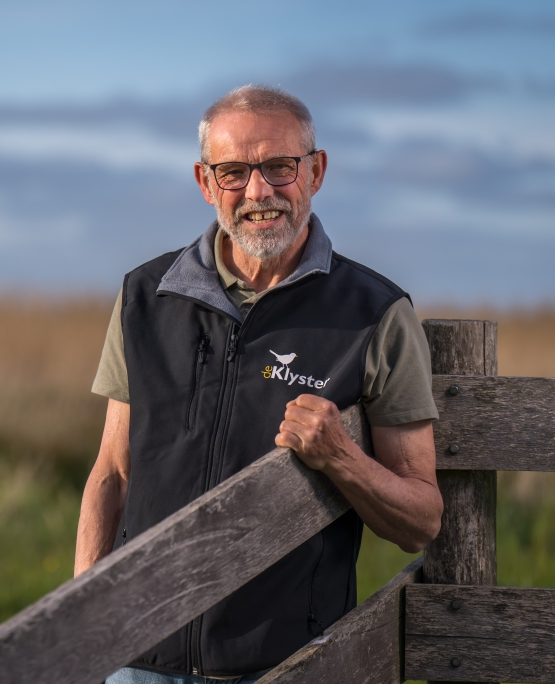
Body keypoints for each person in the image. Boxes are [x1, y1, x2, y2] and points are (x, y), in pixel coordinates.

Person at [74, 85, 444, 683]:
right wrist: (82, 630)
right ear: (205, 181)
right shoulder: (145, 297)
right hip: (136, 662)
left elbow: (421, 520)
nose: (258, 191)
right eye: (233, 172)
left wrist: (341, 457)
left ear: (316, 171)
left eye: (279, 166)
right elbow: (113, 474)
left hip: (287, 665)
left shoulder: (375, 313)